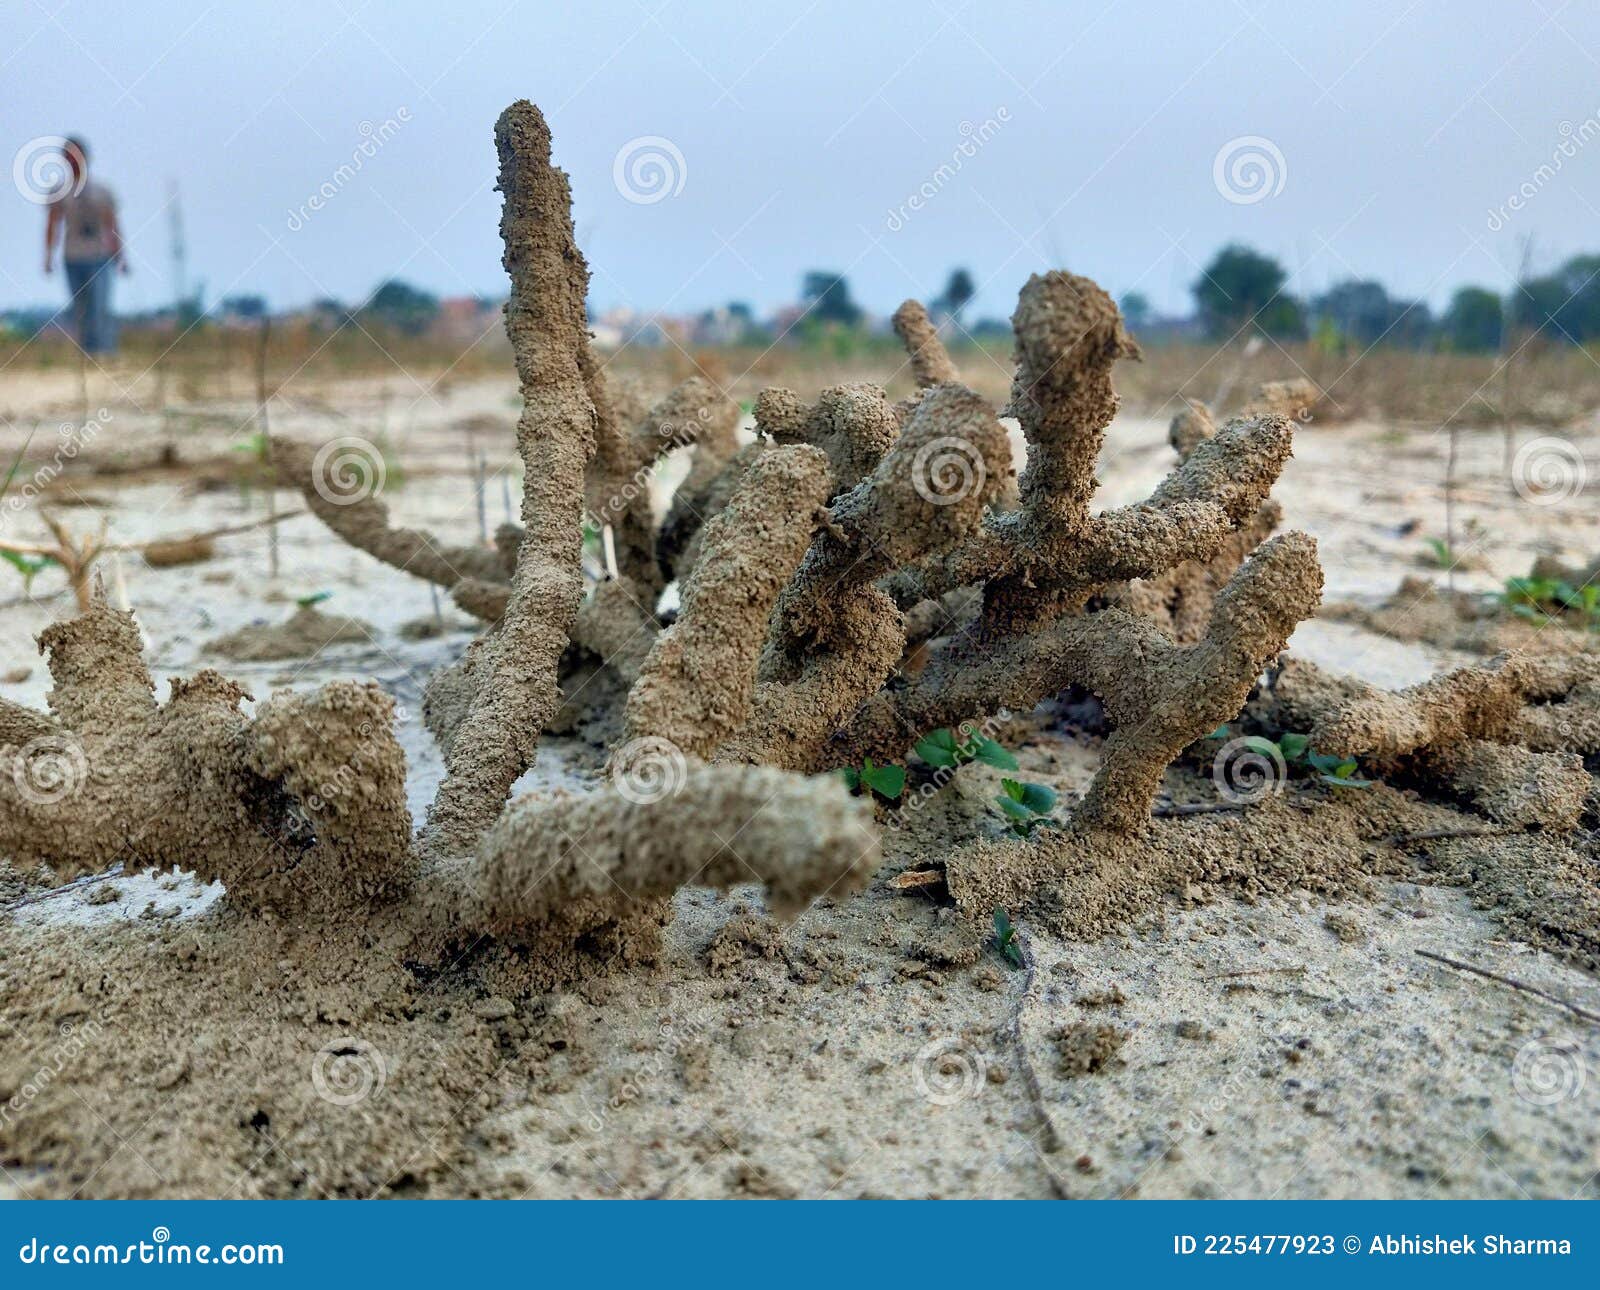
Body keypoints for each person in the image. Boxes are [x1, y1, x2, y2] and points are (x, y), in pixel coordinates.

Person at [42, 137, 127, 355]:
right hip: (73, 258)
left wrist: (120, 256)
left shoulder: (102, 191)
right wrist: (48, 256)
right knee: (80, 309)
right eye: (68, 157)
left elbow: (112, 225)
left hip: (100, 257)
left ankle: (105, 352)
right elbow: (53, 224)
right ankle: (87, 354)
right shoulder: (59, 191)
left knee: (99, 306)